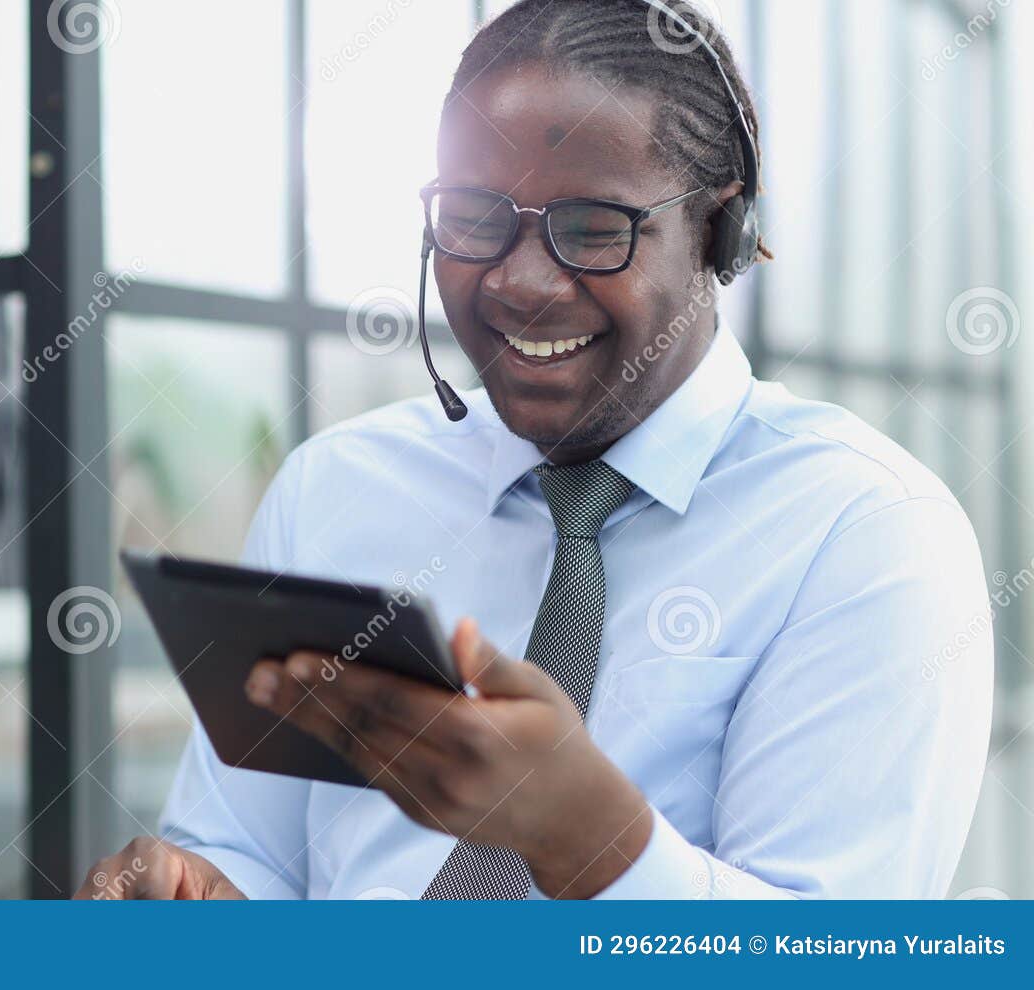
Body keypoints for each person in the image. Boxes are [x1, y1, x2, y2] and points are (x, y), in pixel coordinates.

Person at [80, 0, 992, 899]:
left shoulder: (865, 535)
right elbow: (250, 852)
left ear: (721, 234)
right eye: (475, 216)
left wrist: (595, 844)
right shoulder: (338, 486)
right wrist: (192, 893)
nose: (520, 283)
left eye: (594, 229)